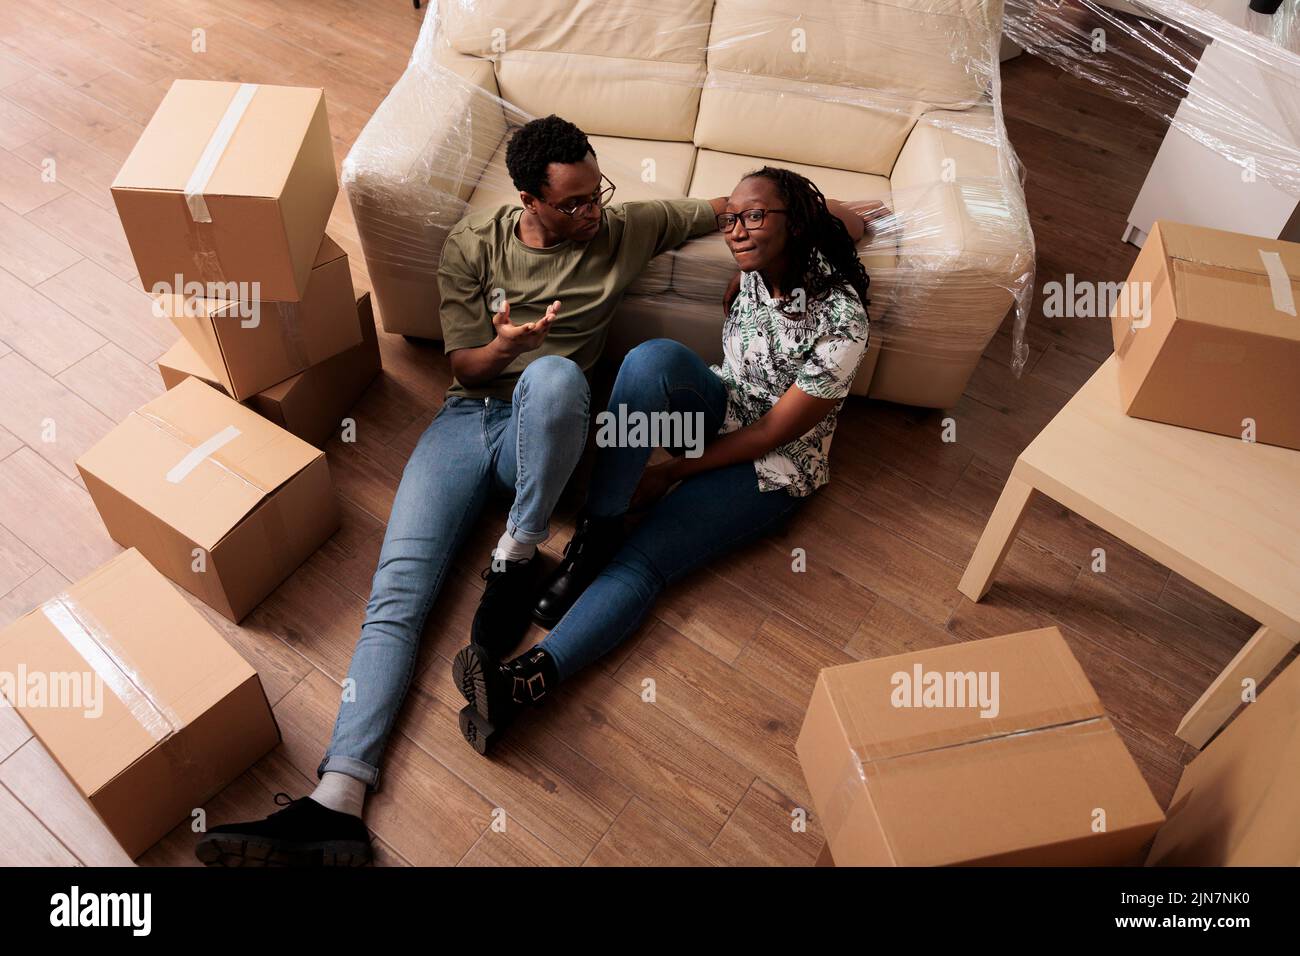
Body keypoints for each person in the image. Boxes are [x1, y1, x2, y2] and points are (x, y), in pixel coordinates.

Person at [195, 114, 732, 867]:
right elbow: (463, 370)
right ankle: (339, 800)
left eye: (595, 194)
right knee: (397, 592)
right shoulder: (473, 245)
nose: (592, 213)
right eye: (573, 203)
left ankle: (519, 549)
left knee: (551, 375)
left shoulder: (623, 228)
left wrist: (816, 213)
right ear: (528, 200)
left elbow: (726, 207)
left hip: (549, 430)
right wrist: (501, 346)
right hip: (469, 418)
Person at [450, 166, 877, 755]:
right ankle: (592, 538)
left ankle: (524, 682)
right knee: (651, 359)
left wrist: (670, 473)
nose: (737, 231)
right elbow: (844, 217)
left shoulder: (842, 322)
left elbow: (773, 432)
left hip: (773, 464)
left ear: (795, 224)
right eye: (732, 219)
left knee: (645, 561)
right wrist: (857, 216)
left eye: (754, 218)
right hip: (724, 404)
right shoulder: (757, 267)